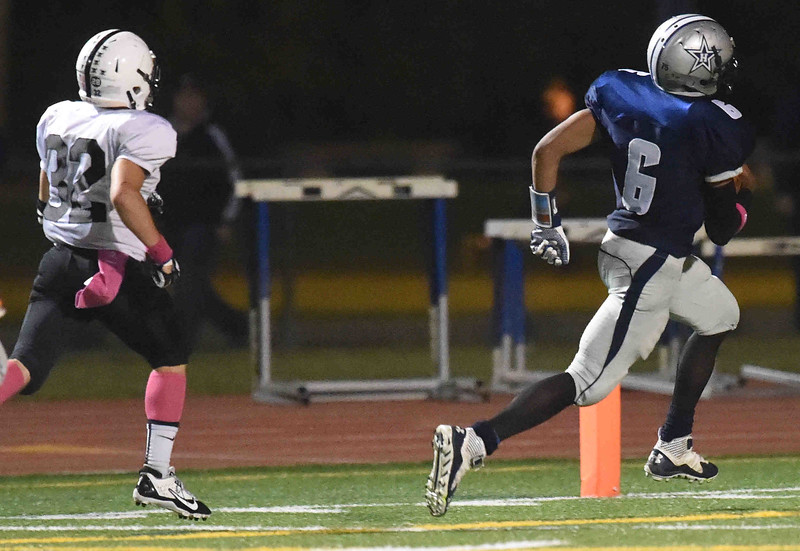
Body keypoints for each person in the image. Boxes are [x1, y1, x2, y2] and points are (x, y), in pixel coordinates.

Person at [426, 14, 755, 517]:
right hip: (650, 263)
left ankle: (673, 443)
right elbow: (723, 227)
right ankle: (474, 440)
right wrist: (740, 201)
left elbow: (547, 149)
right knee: (585, 381)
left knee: (720, 316)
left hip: (628, 245)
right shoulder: (712, 123)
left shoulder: (622, 91)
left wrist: (546, 223)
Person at [0, 29, 210, 520]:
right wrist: (162, 253)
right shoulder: (146, 127)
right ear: (132, 78)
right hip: (113, 265)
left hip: (60, 260)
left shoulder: (58, 115)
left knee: (23, 370)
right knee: (170, 357)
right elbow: (122, 193)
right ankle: (157, 475)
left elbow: (46, 185)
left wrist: (59, 218)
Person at [157, 74, 249, 349]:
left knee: (188, 278)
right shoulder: (159, 134)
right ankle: (238, 326)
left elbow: (234, 180)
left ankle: (180, 343)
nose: (189, 103)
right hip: (168, 224)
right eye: (184, 96)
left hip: (204, 224)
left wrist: (226, 220)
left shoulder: (212, 136)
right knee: (191, 283)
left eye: (195, 97)